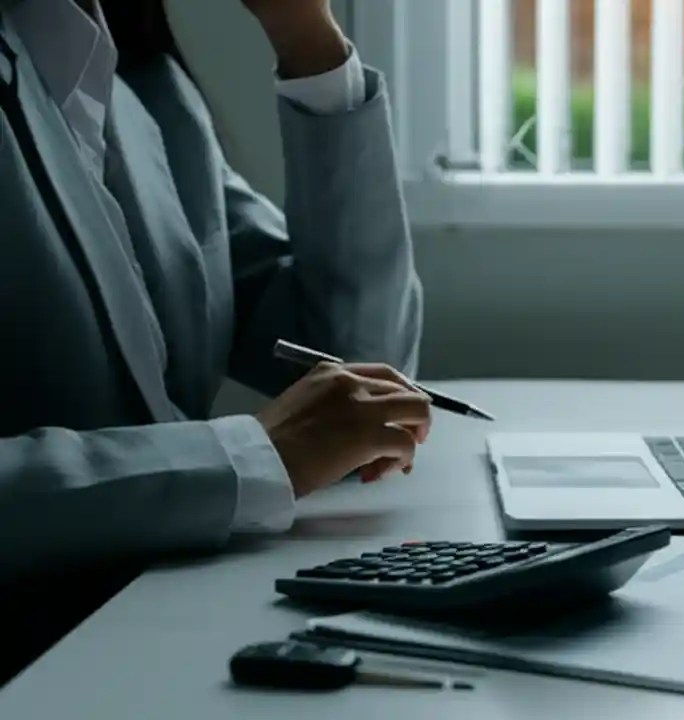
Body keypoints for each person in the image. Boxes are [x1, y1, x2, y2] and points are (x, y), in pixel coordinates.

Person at [0, 0, 427, 682]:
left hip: (158, 638)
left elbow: (359, 361)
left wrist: (306, 37)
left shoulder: (142, 87)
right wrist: (249, 458)